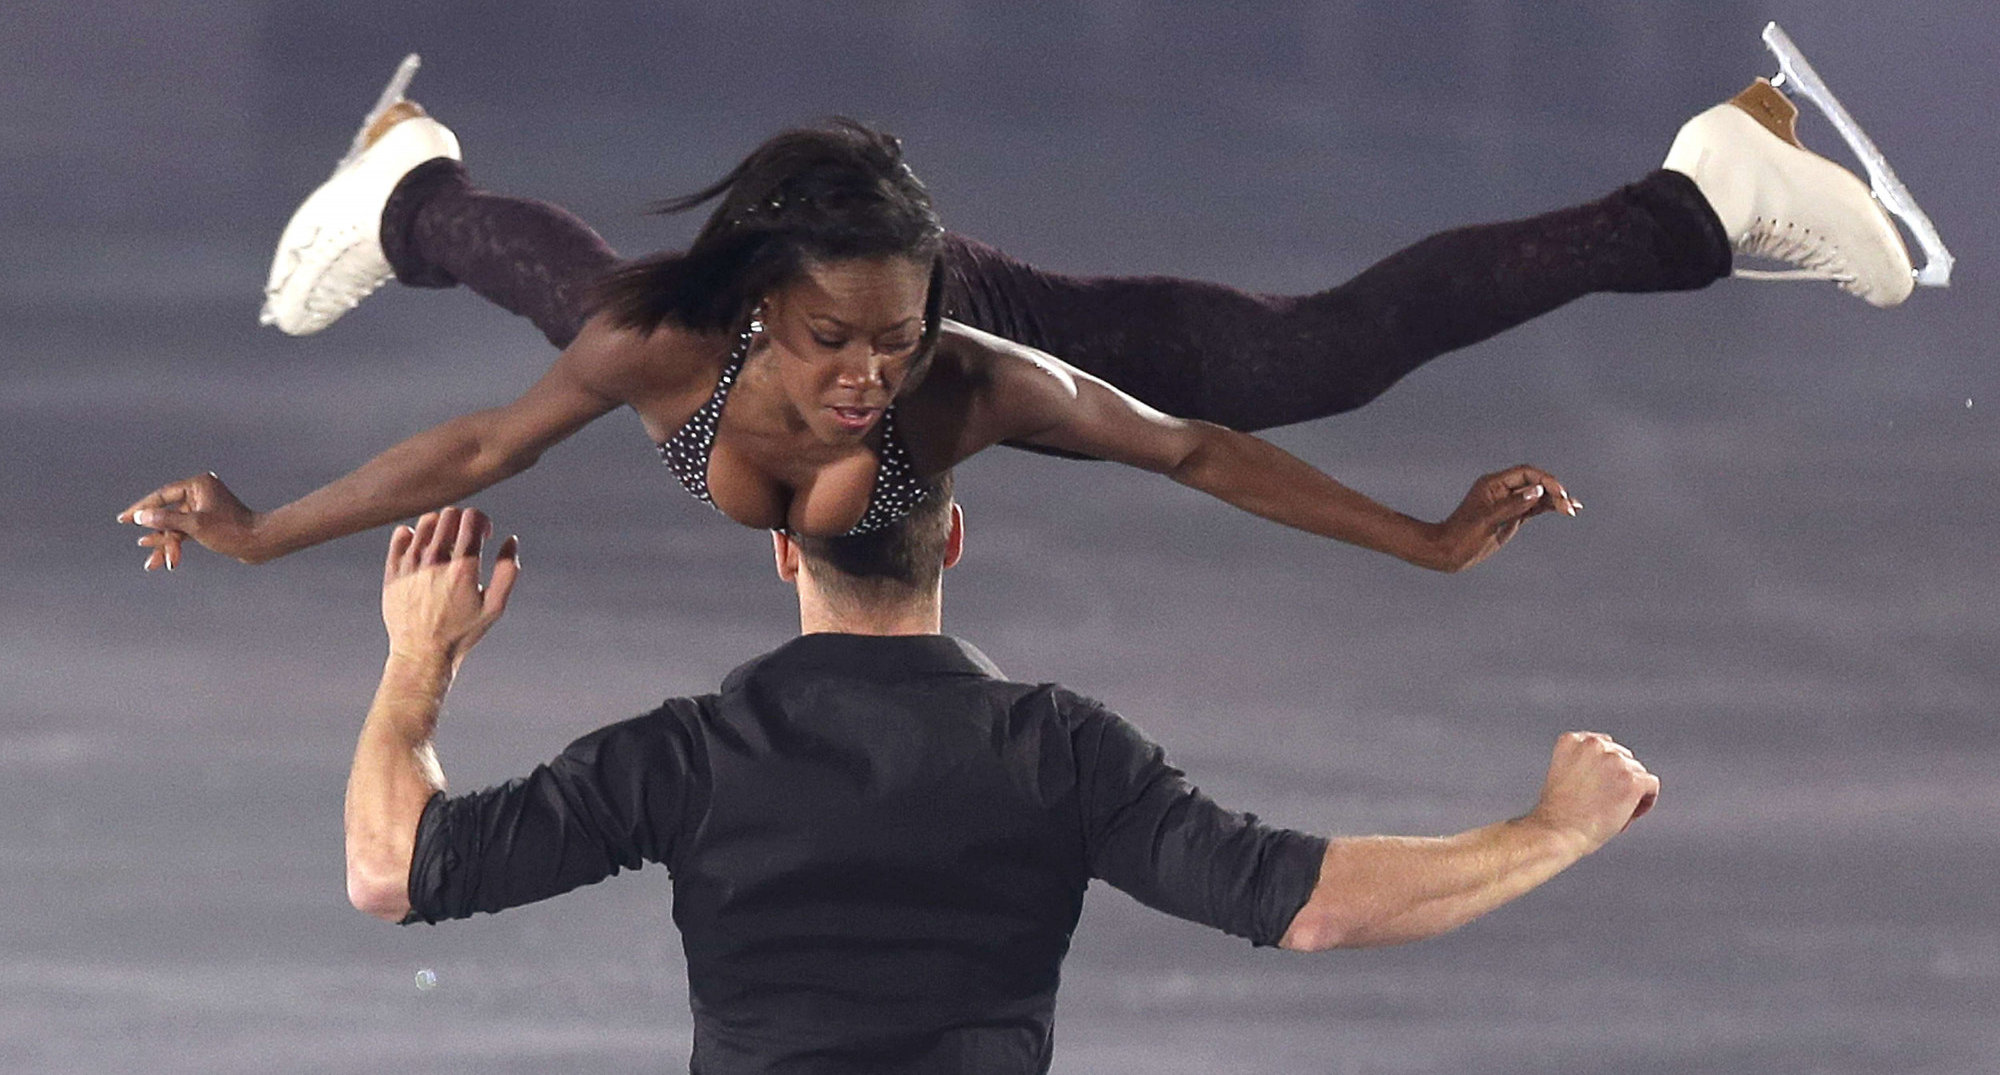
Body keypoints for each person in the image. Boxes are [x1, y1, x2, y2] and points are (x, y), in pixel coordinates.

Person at [123, 56, 1911, 575]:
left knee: (1309, 360)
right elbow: (477, 444)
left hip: (991, 303)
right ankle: (408, 180)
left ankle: (1698, 195)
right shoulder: (676, 342)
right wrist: (267, 529)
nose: (862, 376)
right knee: (563, 293)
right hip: (706, 306)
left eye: (887, 342)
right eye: (835, 342)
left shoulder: (954, 374)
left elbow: (1204, 446)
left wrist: (1430, 542)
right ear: (765, 308)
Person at [347, 491, 1660, 1072]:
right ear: (955, 540)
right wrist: (1554, 827)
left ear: (784, 555)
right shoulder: (1058, 749)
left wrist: (420, 658)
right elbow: (1301, 899)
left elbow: (392, 868)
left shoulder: (691, 754)